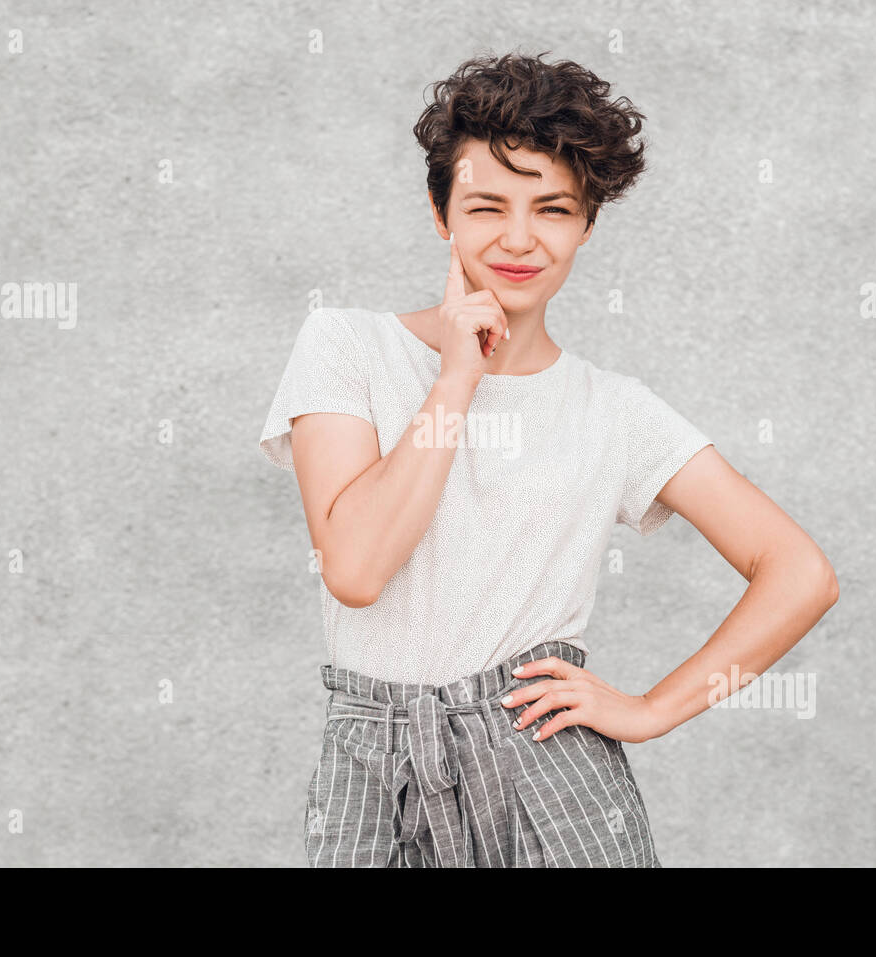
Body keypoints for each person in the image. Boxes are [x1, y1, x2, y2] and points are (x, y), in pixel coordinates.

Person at [258, 51, 839, 867]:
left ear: (588, 225)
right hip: (373, 773)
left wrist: (651, 708)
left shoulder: (615, 408)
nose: (520, 239)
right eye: (487, 205)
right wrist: (458, 375)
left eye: (554, 209)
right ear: (441, 213)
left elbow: (800, 572)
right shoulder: (346, 346)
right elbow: (355, 567)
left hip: (551, 781)